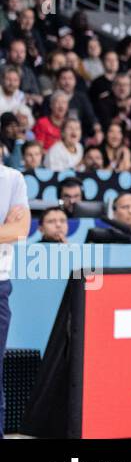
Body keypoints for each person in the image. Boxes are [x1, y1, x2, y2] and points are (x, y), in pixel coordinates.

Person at [0, 163, 29, 439]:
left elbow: (20, 230)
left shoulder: (12, 178)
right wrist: (3, 228)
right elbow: (9, 231)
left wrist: (11, 228)